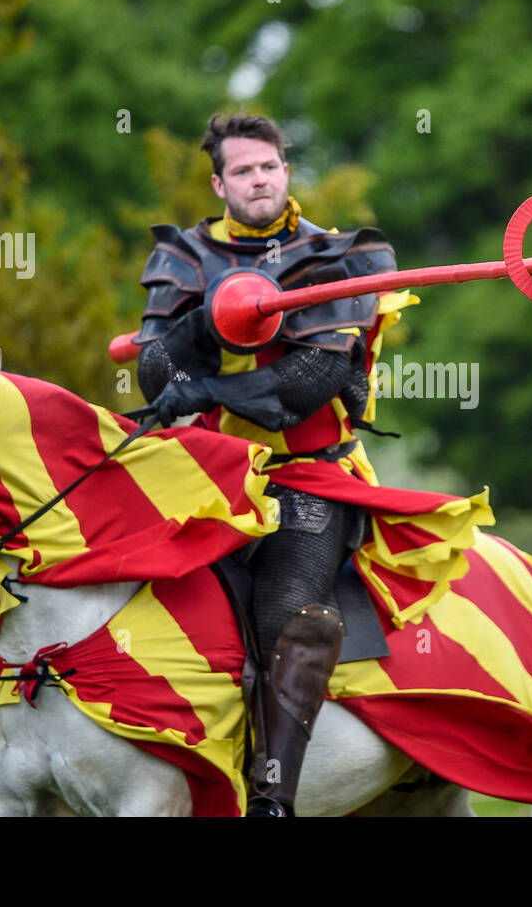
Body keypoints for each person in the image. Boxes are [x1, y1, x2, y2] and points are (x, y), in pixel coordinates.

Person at [133, 113, 382, 817]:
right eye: (243, 171)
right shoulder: (184, 257)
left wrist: (206, 386)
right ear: (219, 184)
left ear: (285, 171)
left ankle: (274, 795)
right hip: (208, 472)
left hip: (308, 475)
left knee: (290, 608)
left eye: (269, 166)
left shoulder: (331, 256)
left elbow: (310, 382)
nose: (260, 179)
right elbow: (155, 372)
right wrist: (202, 324)